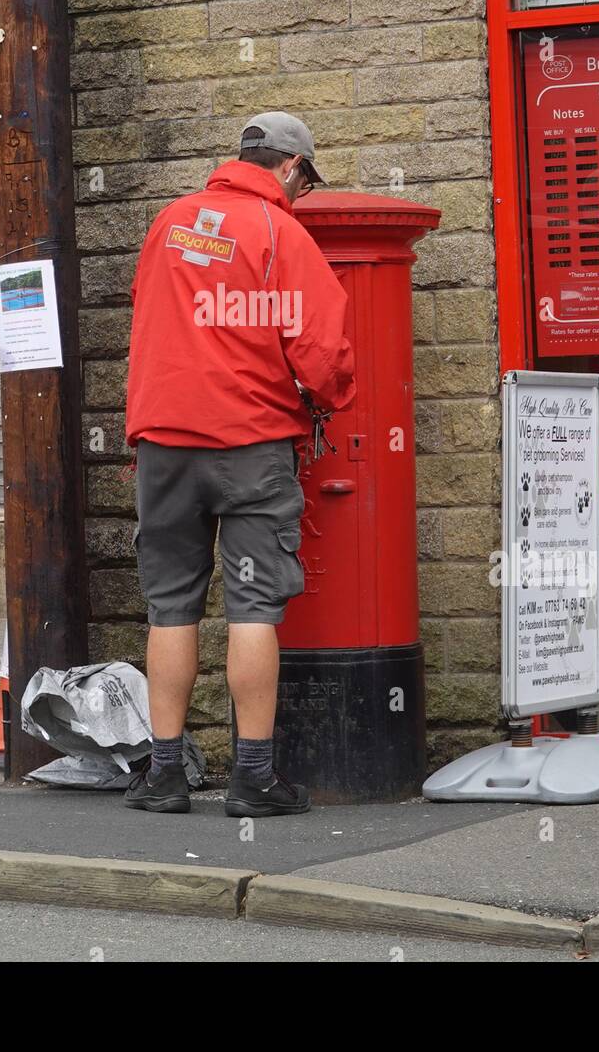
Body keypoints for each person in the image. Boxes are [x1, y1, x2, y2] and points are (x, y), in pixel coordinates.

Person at [123, 112, 356, 817]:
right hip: (249, 443)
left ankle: (163, 776)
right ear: (289, 167)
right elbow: (321, 347)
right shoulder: (280, 232)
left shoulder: (170, 221)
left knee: (170, 606)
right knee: (252, 607)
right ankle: (252, 780)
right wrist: (329, 398)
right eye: (305, 182)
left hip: (163, 441)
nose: (302, 195)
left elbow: (144, 311)